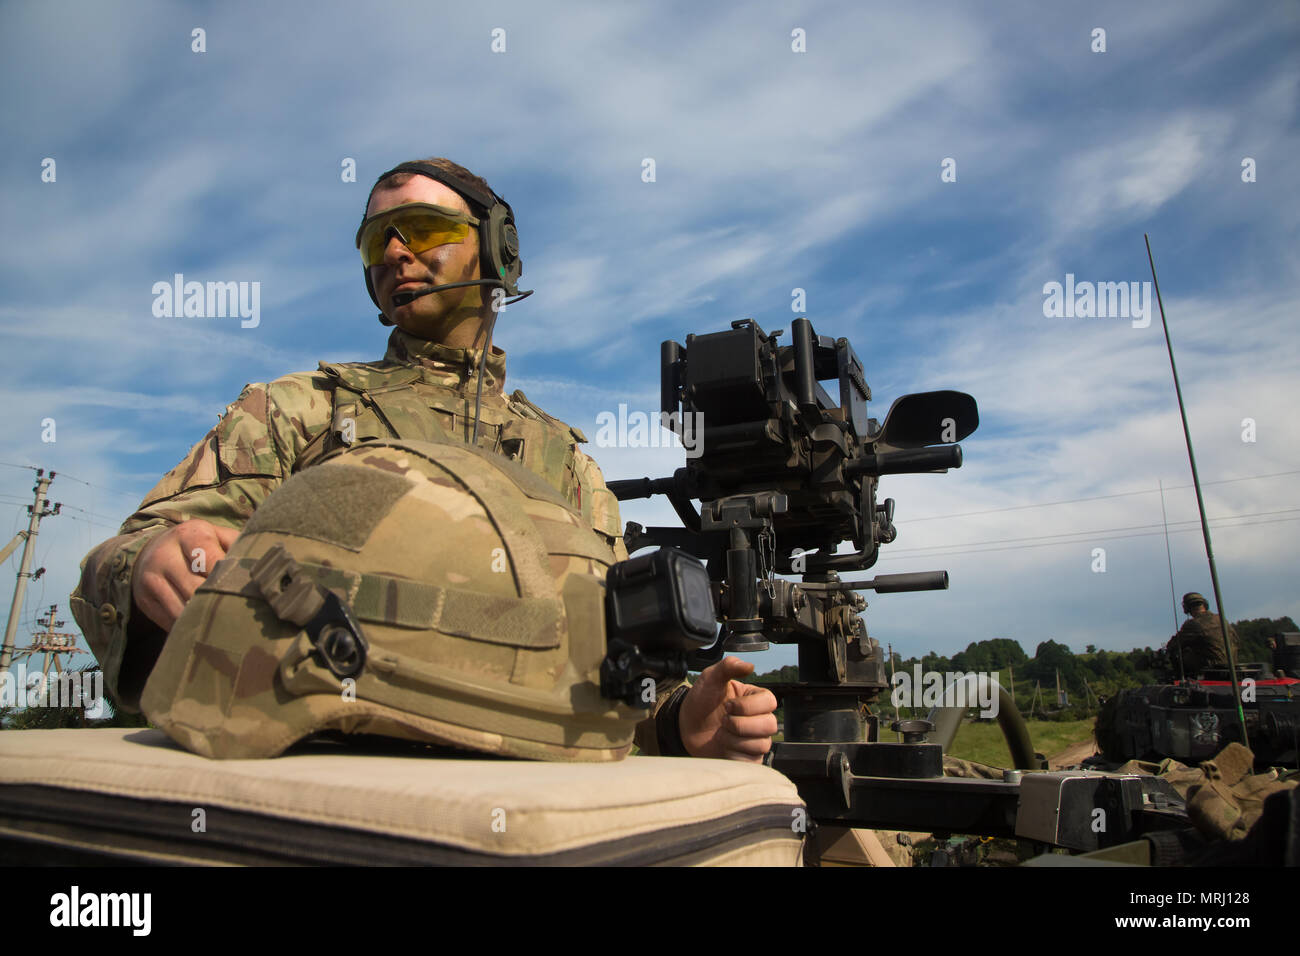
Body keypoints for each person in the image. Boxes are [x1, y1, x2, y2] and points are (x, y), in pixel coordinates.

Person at [70, 157, 777, 761]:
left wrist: (683, 723)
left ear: (498, 249)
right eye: (377, 241)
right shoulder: (297, 411)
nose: (397, 254)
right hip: (320, 776)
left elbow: (604, 668)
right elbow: (117, 563)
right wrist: (148, 564)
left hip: (535, 804)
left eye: (427, 230)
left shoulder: (567, 464)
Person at [1165, 591, 1241, 679]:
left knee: (1180, 652)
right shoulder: (1222, 619)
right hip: (1232, 667)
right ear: (1205, 604)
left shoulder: (1193, 624)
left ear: (1186, 608)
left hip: (1211, 668)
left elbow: (1174, 644)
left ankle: (1182, 678)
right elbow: (1237, 642)